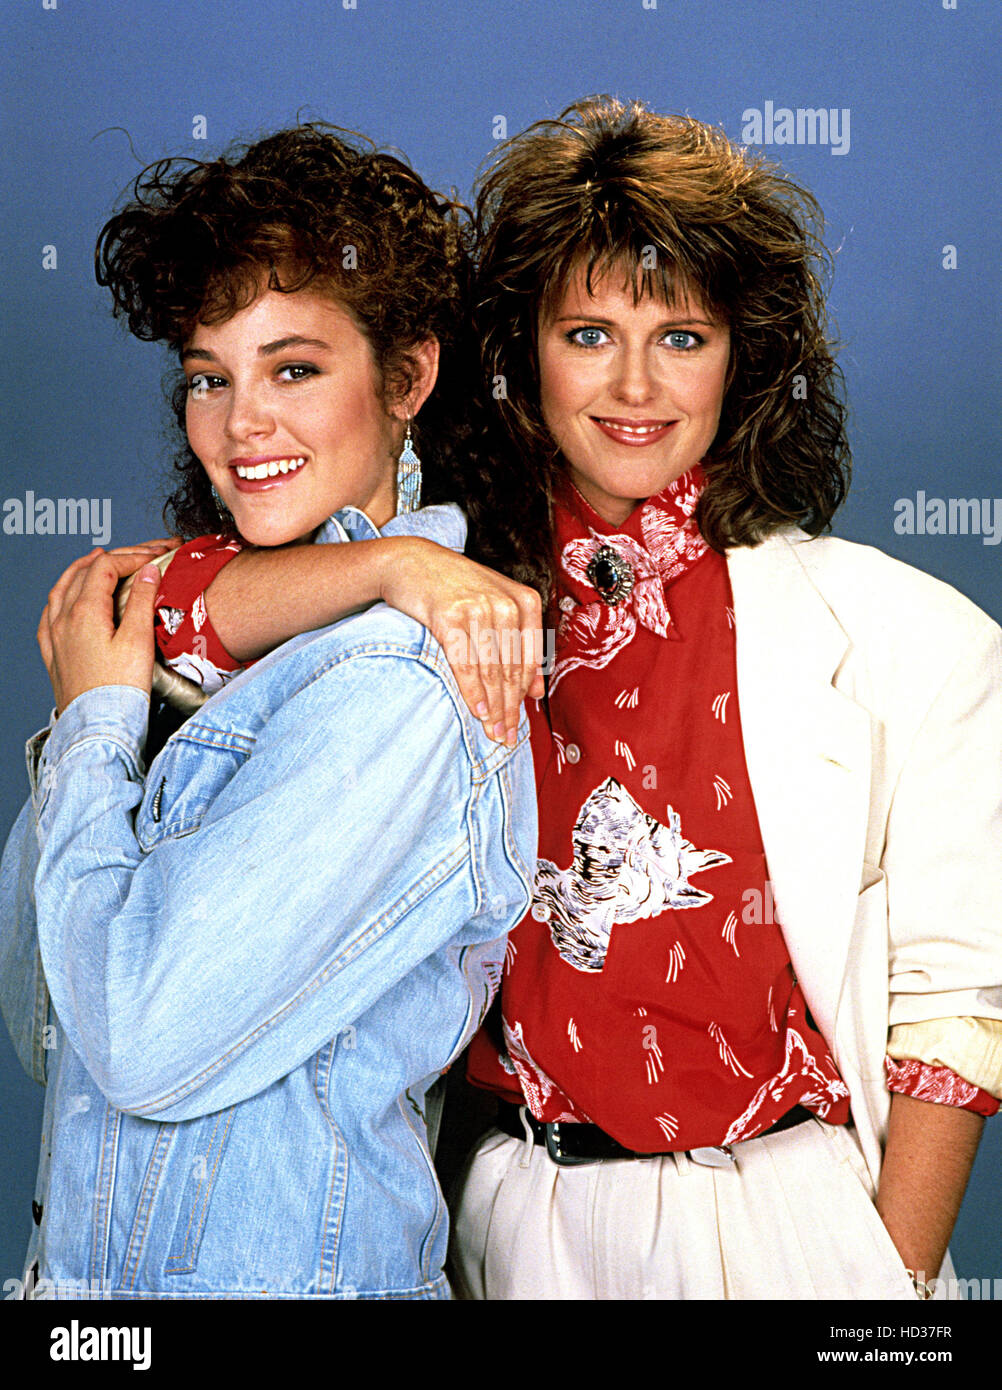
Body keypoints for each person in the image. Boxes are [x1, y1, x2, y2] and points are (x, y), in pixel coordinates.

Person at [51, 99, 1002, 1301]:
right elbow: (153, 600)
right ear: (521, 352)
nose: (637, 386)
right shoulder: (444, 582)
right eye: (590, 334)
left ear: (745, 354)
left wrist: (891, 1286)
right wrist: (398, 565)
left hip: (785, 1226)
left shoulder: (908, 635)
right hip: (508, 1216)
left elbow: (955, 1012)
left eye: (685, 336)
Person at [0, 123, 536, 1300]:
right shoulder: (202, 632)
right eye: (210, 376)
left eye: (294, 368)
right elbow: (44, 1020)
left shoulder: (405, 680)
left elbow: (133, 1037)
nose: (243, 424)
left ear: (407, 378)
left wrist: (94, 725)